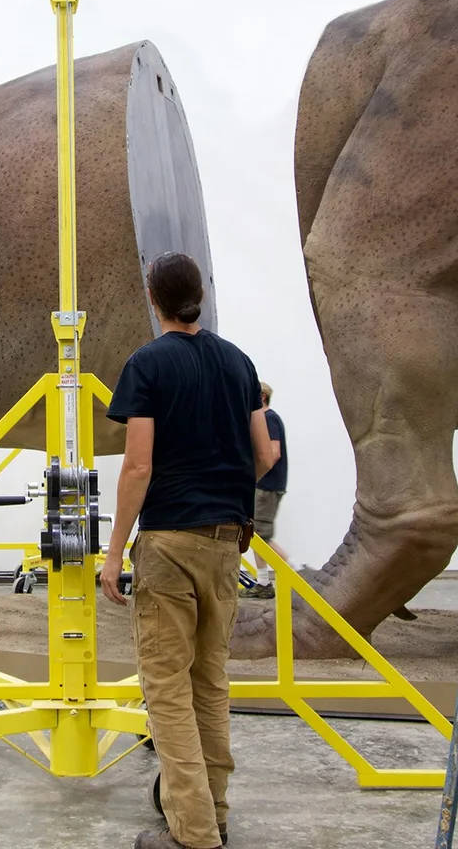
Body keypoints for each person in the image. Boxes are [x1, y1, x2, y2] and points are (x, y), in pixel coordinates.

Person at [100, 251, 276, 849]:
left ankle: (195, 834)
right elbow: (266, 456)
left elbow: (138, 465)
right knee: (210, 682)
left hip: (169, 540)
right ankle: (215, 812)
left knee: (167, 689)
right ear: (198, 294)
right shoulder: (238, 363)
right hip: (228, 540)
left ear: (154, 298)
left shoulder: (147, 364)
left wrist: (113, 550)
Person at [240, 382, 290, 599]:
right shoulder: (267, 419)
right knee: (257, 535)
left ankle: (295, 572)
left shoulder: (269, 419)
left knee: (260, 536)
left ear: (261, 396)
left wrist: (254, 475)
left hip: (266, 486)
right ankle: (263, 583)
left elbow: (273, 452)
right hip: (265, 486)